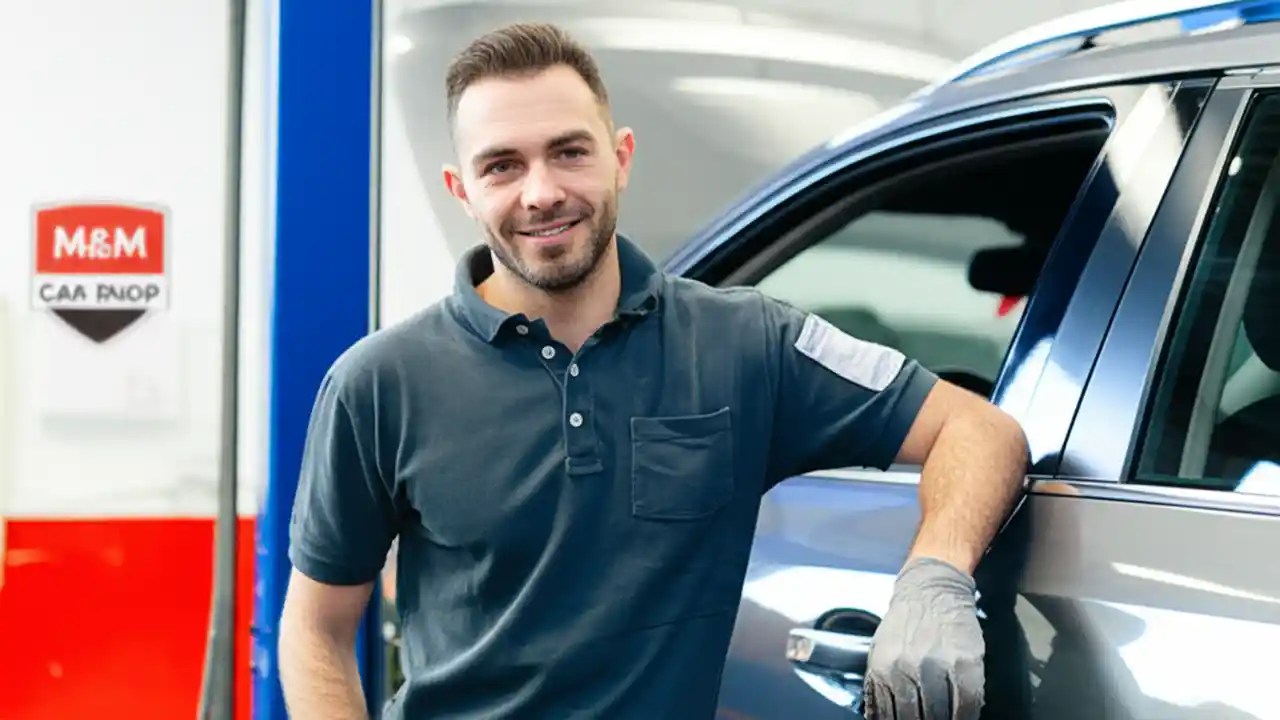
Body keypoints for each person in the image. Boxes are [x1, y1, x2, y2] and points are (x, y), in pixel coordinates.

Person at [277, 21, 1029, 720]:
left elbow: (977, 430)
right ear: (462, 191)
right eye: (502, 166)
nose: (541, 192)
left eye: (569, 151)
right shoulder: (378, 384)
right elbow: (315, 631)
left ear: (620, 157)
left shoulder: (746, 346)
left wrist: (936, 578)